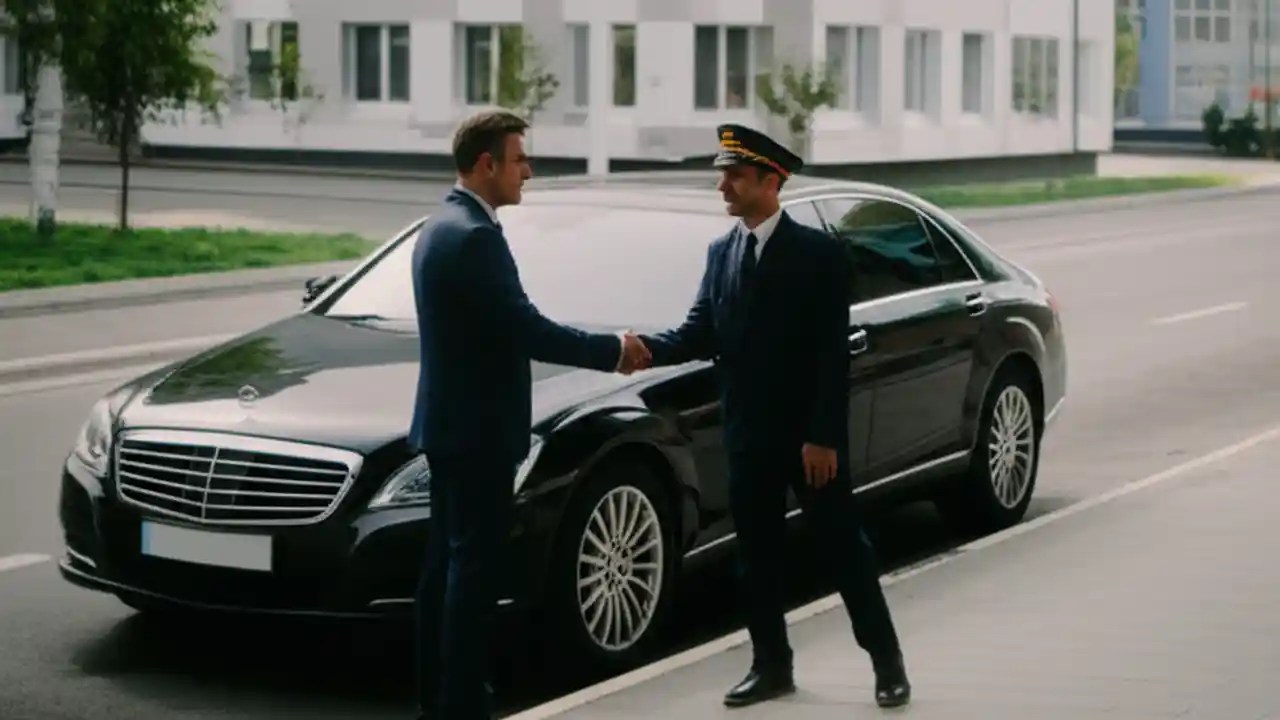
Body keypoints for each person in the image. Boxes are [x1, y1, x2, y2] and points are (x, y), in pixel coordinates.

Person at [638, 124, 911, 709]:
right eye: (723, 175)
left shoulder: (817, 254)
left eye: (734, 175)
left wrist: (822, 437)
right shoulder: (722, 253)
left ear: (771, 180)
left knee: (844, 550)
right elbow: (697, 332)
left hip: (809, 442)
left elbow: (829, 356)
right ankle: (772, 666)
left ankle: (887, 663)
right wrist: (637, 350)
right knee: (756, 557)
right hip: (748, 438)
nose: (723, 186)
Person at [407, 109, 651, 720]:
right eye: (520, 159)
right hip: (479, 433)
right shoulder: (474, 237)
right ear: (487, 164)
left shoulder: (442, 224)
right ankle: (461, 703)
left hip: (450, 427)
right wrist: (612, 350)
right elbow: (526, 328)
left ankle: (439, 696)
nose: (529, 171)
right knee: (470, 575)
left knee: (445, 569)